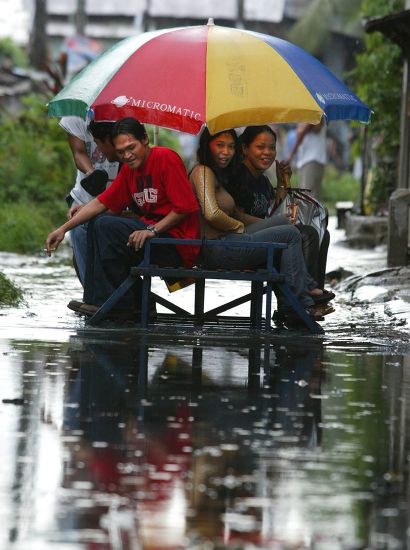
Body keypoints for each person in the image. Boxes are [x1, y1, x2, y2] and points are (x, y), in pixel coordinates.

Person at [46, 117, 200, 320]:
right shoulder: (130, 169)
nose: (127, 155)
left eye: (131, 147)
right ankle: (104, 301)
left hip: (176, 244)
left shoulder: (165, 158)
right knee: (96, 223)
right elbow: (101, 203)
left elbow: (185, 207)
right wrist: (62, 229)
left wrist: (152, 230)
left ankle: (115, 303)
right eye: (120, 152)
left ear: (144, 139)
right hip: (152, 239)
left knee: (106, 226)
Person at [188, 128, 333, 323]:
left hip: (228, 240)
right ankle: (299, 303)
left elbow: (242, 214)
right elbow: (212, 214)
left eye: (231, 146)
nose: (226, 152)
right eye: (219, 145)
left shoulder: (218, 174)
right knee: (291, 234)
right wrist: (238, 228)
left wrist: (282, 187)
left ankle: (305, 292)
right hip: (216, 246)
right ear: (207, 145)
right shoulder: (203, 172)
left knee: (289, 226)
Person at [225, 125, 331, 290]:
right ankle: (307, 293)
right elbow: (237, 217)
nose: (267, 152)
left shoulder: (263, 180)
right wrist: (278, 223)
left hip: (264, 235)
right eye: (260, 147)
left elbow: (275, 210)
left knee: (322, 233)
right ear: (245, 149)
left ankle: (315, 290)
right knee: (306, 234)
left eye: (272, 148)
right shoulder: (238, 176)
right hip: (241, 239)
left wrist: (282, 181)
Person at [60, 117, 120, 284]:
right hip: (84, 196)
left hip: (119, 198)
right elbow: (78, 151)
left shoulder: (127, 110)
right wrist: (92, 174)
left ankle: (117, 296)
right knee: (81, 243)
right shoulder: (75, 114)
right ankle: (92, 295)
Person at [286, 118, 327, 199]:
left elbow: (303, 131)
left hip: (312, 159)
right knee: (305, 196)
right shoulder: (306, 114)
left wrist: (291, 155)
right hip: (307, 160)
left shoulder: (316, 111)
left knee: (307, 197)